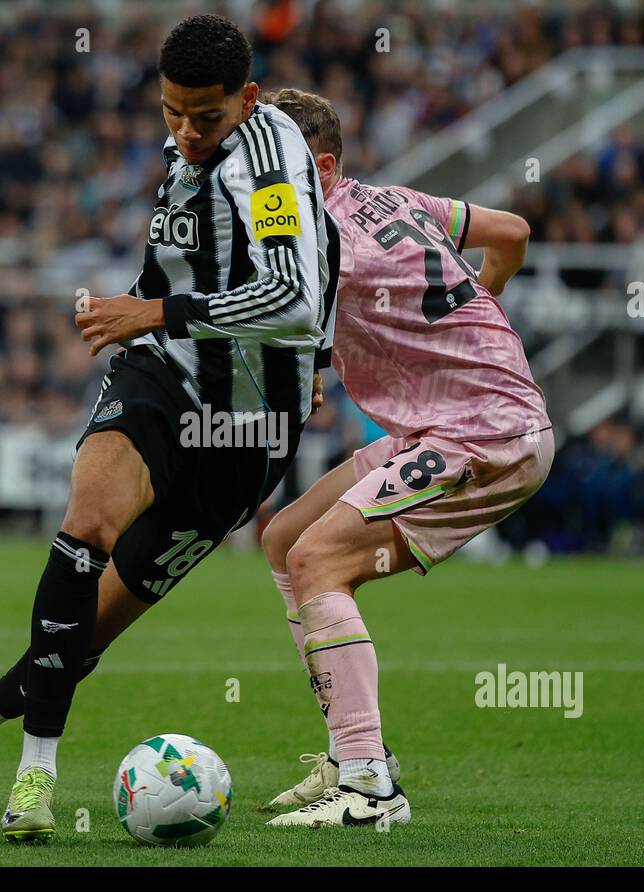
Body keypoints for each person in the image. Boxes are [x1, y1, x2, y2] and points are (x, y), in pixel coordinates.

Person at [0, 15, 335, 842]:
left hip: (247, 437)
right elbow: (177, 263)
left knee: (86, 630)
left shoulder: (273, 167)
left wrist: (163, 311)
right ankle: (36, 779)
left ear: (247, 100)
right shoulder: (185, 149)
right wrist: (133, 314)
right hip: (163, 376)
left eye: (203, 117)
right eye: (170, 111)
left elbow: (296, 297)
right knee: (86, 526)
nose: (183, 130)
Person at [255, 88, 553, 827]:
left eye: (273, 163)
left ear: (319, 166)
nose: (258, 179)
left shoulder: (321, 234)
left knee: (320, 562)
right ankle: (349, 755)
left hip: (482, 435)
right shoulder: (396, 199)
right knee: (285, 539)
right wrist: (483, 299)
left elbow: (286, 329)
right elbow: (512, 230)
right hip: (448, 421)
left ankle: (369, 789)